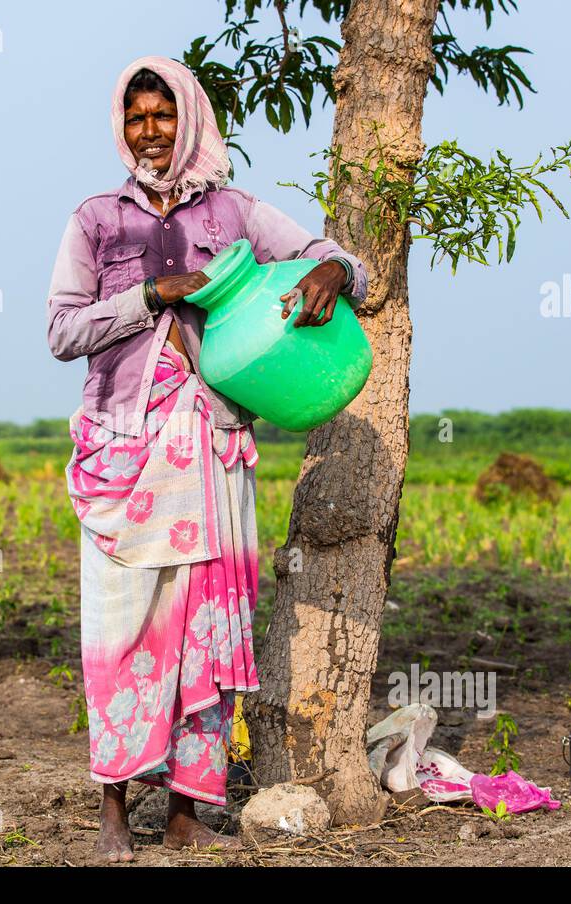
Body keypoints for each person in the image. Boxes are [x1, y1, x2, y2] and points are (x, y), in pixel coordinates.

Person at [47, 56, 367, 861]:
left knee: (205, 626)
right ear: (121, 127)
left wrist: (334, 269)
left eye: (162, 116)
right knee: (121, 627)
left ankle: (190, 807)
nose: (148, 132)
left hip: (213, 446)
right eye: (136, 118)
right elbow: (61, 333)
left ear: (187, 118)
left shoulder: (235, 209)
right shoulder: (95, 219)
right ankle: (115, 807)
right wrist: (153, 295)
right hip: (124, 443)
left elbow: (344, 265)